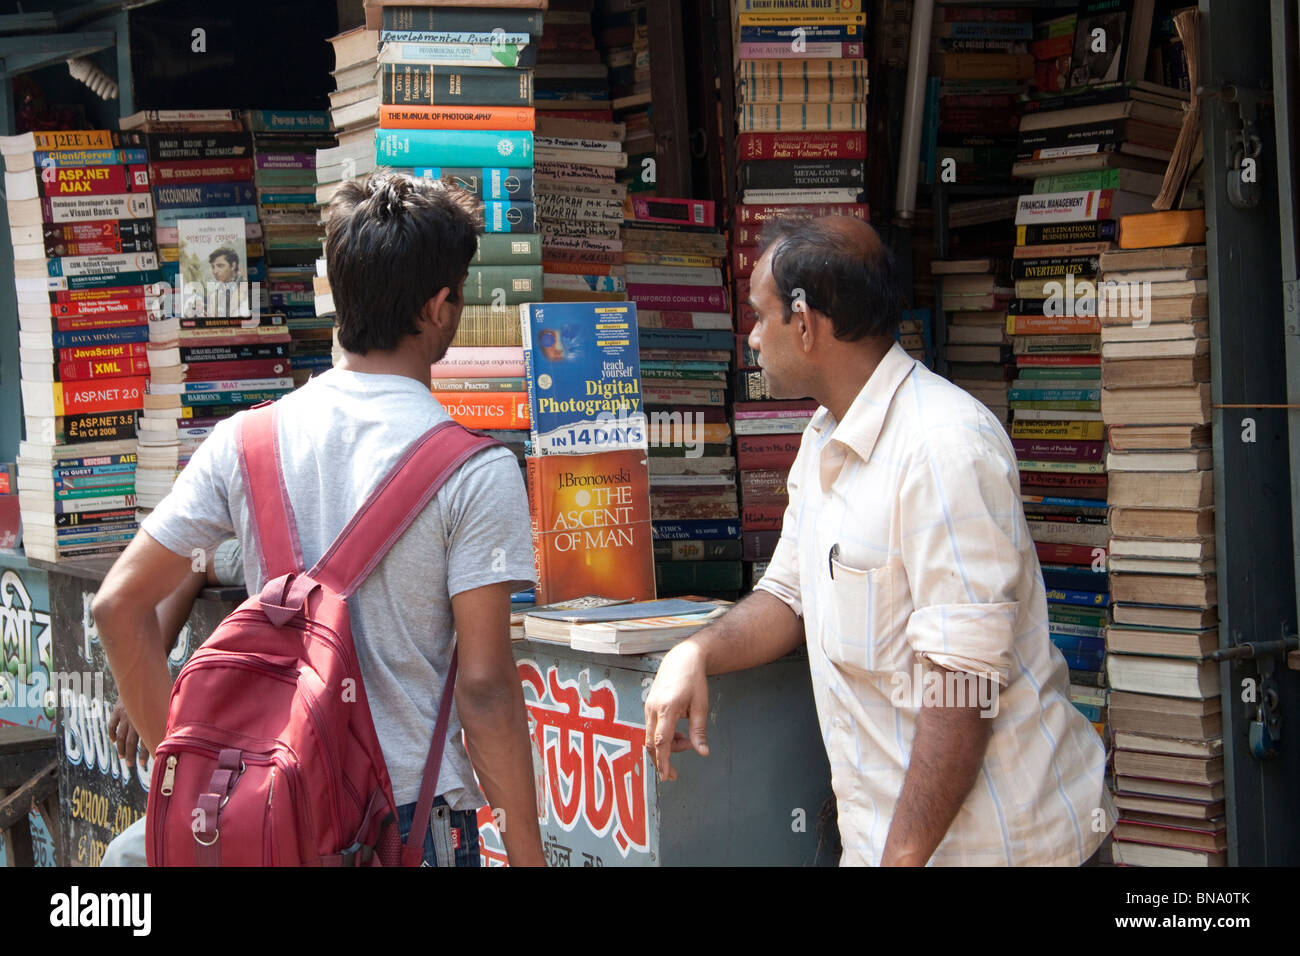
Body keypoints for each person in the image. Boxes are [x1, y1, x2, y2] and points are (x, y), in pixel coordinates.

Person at [93, 172, 546, 867]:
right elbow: (485, 688)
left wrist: (180, 767)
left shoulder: (245, 441)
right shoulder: (475, 471)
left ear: (338, 291)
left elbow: (119, 604)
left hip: (269, 816)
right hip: (404, 825)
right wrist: (528, 855)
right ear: (440, 307)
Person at [643, 215, 1115, 866]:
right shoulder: (821, 440)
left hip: (1002, 851)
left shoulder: (942, 449)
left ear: (805, 325)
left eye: (760, 316)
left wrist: (901, 857)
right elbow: (788, 596)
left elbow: (963, 686)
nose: (751, 338)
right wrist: (695, 653)